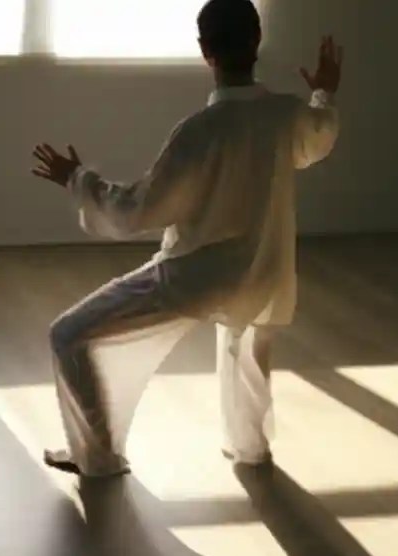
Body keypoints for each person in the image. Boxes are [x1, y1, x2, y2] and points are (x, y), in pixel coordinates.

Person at [30, 0, 342, 478]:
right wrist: (322, 91)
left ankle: (98, 458)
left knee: (67, 334)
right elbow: (319, 135)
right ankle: (251, 450)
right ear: (257, 42)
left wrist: (79, 180)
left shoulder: (199, 132)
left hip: (198, 276)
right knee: (246, 350)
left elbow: (137, 210)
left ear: (204, 52)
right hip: (266, 272)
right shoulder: (285, 115)